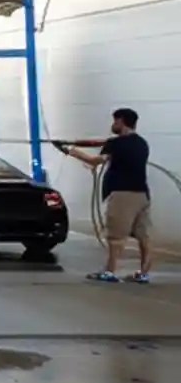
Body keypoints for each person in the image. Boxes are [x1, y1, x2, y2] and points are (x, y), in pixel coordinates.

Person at [55, 108, 152, 284]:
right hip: (142, 195)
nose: (113, 125)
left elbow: (95, 161)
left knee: (116, 236)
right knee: (143, 236)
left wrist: (70, 150)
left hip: (122, 196)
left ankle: (109, 271)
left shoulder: (115, 144)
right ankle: (144, 273)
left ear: (121, 122)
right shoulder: (142, 143)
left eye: (115, 121)